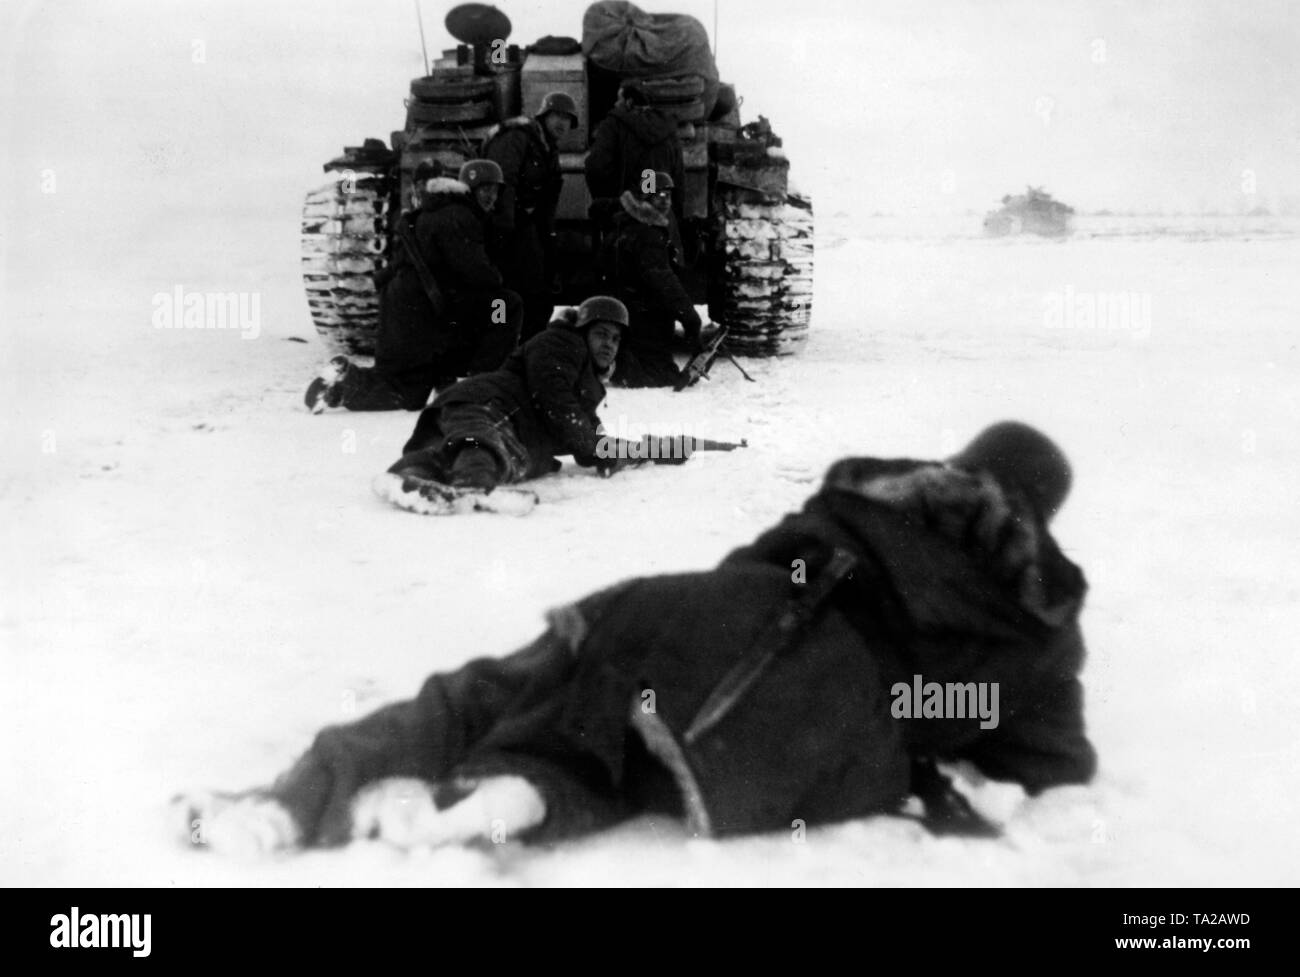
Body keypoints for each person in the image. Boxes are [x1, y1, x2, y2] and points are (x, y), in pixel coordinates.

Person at [175, 421, 1097, 854]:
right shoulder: (1039, 632)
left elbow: (765, 562)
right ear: (1044, 520)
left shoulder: (864, 499)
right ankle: (522, 794)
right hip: (817, 734)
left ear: (960, 461)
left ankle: (300, 795)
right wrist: (947, 712)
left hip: (691, 611)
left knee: (496, 690)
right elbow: (1054, 762)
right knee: (635, 764)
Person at [305, 160, 523, 413]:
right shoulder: (459, 216)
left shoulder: (436, 211)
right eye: (485, 189)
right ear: (469, 189)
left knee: (405, 390)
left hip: (407, 306)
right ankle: (481, 383)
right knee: (505, 304)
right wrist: (498, 278)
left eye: (495, 190)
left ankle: (341, 385)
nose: (491, 196)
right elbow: (476, 274)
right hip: (421, 312)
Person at [378, 294, 629, 498]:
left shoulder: (584, 383)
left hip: (492, 414)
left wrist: (654, 449)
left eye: (616, 339)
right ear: (582, 331)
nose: (609, 344)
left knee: (493, 454)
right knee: (483, 446)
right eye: (601, 334)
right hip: (487, 404)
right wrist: (594, 449)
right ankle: (472, 485)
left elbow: (586, 432)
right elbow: (555, 398)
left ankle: (414, 472)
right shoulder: (561, 343)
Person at [482, 91, 579, 344]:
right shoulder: (518, 137)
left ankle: (527, 346)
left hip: (527, 226)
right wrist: (503, 232)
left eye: (568, 119)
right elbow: (503, 182)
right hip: (505, 227)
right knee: (505, 293)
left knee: (538, 293)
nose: (562, 123)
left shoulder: (548, 148)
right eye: (557, 115)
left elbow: (548, 200)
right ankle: (497, 348)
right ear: (544, 116)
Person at [601, 170, 702, 388]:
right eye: (658, 196)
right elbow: (664, 282)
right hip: (642, 315)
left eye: (668, 195)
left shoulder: (626, 224)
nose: (665, 201)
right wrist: (690, 317)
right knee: (661, 374)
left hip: (624, 313)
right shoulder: (647, 235)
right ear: (646, 198)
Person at [586, 83, 685, 223]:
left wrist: (607, 203)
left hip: (626, 214)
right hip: (661, 217)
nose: (615, 104)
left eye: (618, 99)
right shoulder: (668, 130)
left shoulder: (613, 125)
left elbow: (596, 167)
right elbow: (679, 178)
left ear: (629, 102)